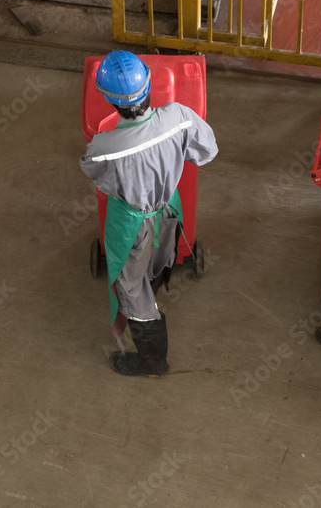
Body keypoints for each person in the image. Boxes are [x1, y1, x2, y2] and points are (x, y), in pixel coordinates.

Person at [80, 51, 218, 377]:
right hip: (169, 209)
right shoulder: (179, 116)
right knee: (158, 259)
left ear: (108, 99)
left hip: (131, 224)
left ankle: (151, 361)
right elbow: (207, 149)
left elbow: (97, 174)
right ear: (148, 85)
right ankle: (151, 291)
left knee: (131, 288)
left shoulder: (106, 146)